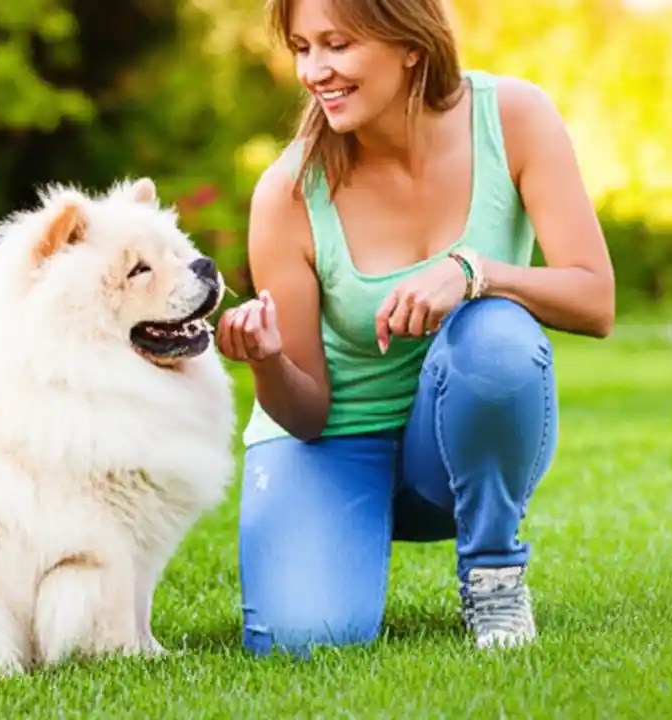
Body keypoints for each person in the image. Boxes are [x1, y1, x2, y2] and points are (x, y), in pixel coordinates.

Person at [214, 0, 615, 655]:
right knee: (304, 641)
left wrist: (476, 272)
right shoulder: (288, 191)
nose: (316, 70)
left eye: (336, 44)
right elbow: (307, 412)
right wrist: (266, 360)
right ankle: (340, 539)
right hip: (333, 447)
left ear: (409, 42)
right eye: (302, 47)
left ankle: (493, 575)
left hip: (454, 453)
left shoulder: (513, 119)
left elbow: (595, 299)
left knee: (496, 337)